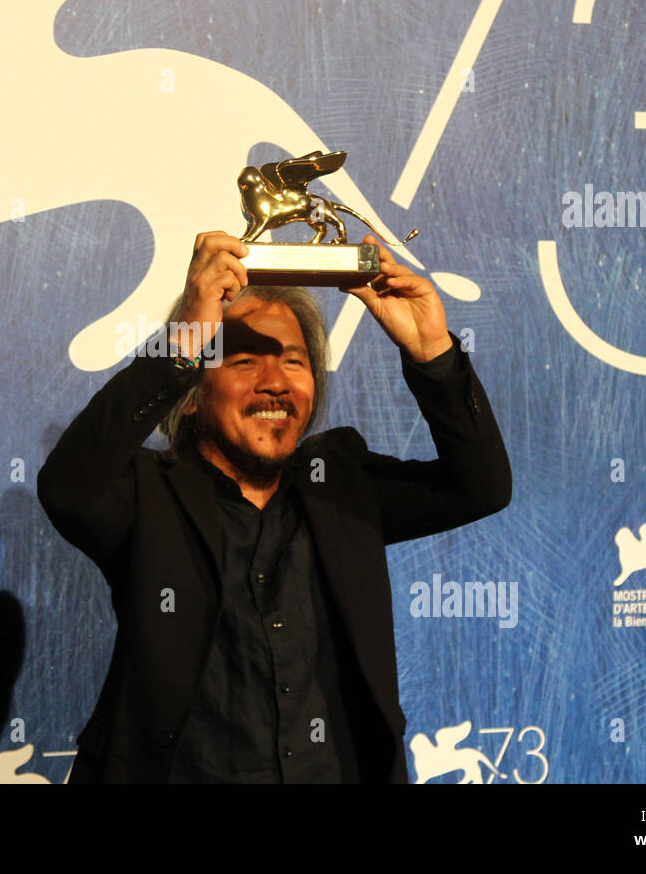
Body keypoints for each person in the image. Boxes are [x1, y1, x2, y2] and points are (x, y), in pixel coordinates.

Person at [37, 231, 512, 782]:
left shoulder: (342, 487)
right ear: (192, 395)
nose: (274, 383)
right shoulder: (144, 495)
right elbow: (68, 485)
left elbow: (480, 487)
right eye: (243, 361)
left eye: (293, 361)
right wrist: (189, 335)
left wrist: (433, 354)